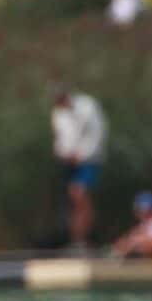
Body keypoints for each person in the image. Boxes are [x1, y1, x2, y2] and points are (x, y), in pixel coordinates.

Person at [50, 88, 108, 250]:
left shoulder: (88, 106)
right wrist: (62, 153)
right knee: (72, 200)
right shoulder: (58, 113)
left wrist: (82, 155)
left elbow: (97, 134)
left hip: (89, 160)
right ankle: (77, 239)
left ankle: (84, 237)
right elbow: (61, 138)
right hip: (69, 162)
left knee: (79, 194)